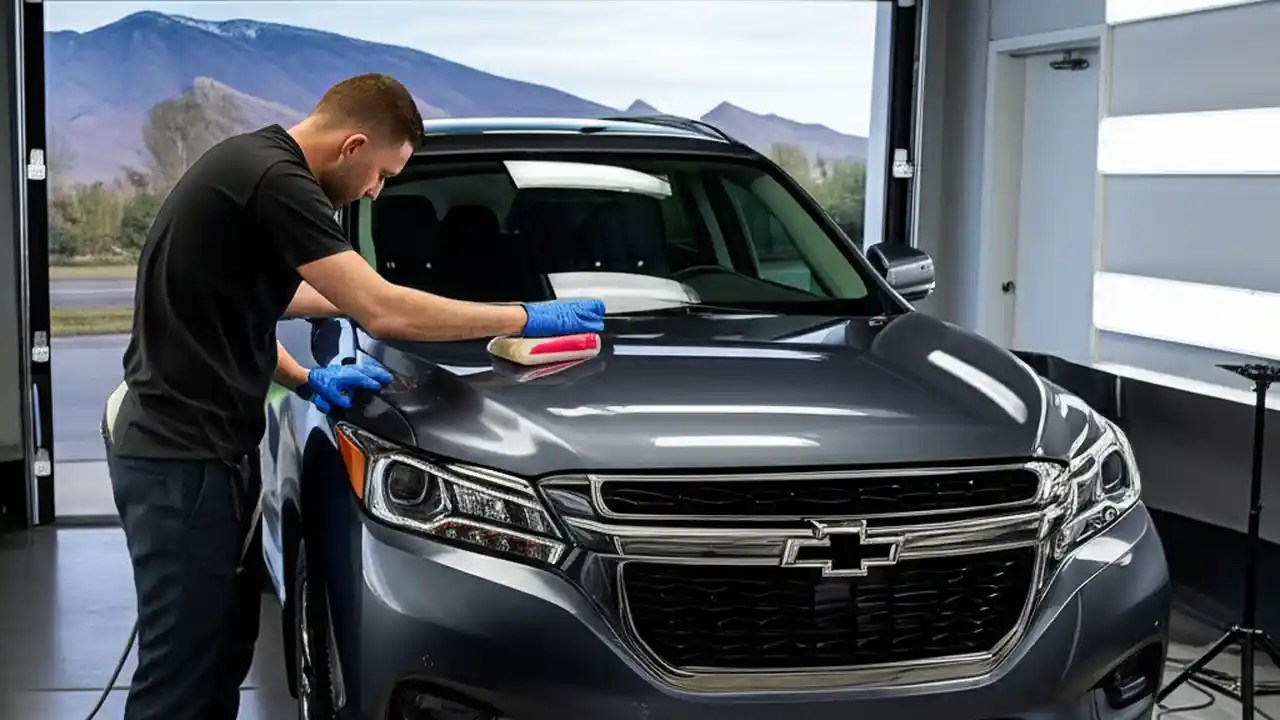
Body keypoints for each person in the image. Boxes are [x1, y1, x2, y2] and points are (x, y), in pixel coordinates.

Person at [104, 72, 604, 719]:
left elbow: (246, 302)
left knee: (218, 656)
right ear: (354, 145)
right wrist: (522, 316)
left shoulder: (253, 166)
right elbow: (380, 310)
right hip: (180, 462)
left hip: (203, 454)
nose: (375, 190)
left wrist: (306, 378)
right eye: (382, 175)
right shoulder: (275, 179)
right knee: (179, 675)